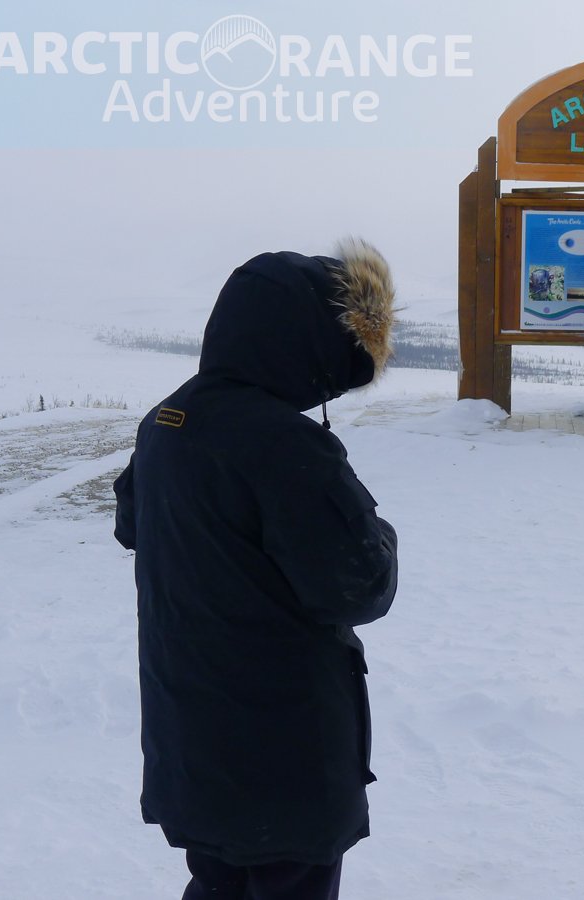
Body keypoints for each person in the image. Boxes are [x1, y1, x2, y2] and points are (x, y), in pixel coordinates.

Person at [112, 239, 399, 900]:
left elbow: (133, 526)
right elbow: (359, 585)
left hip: (193, 733)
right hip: (281, 746)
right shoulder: (284, 443)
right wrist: (379, 531)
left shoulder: (168, 420)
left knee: (218, 880)